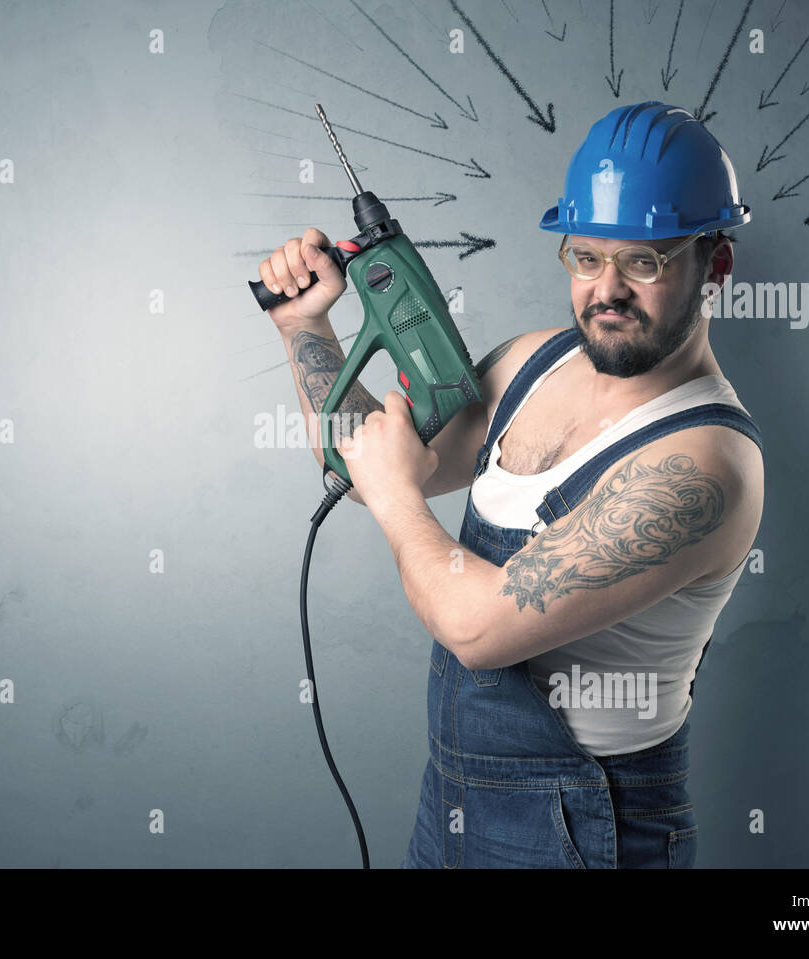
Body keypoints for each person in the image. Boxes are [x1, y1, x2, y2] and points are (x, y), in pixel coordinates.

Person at [259, 101, 764, 868]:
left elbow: (476, 627)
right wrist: (306, 330)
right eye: (586, 257)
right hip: (455, 799)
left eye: (644, 261)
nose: (608, 289)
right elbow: (373, 468)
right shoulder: (533, 363)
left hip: (587, 824)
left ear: (715, 265)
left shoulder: (704, 465)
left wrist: (398, 494)